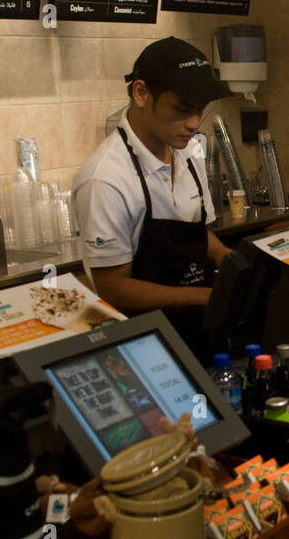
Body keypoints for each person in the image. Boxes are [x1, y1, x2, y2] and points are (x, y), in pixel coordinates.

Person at [72, 37, 234, 363]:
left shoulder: (188, 152)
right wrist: (205, 296)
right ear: (141, 93)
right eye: (182, 110)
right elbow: (112, 288)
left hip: (199, 334)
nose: (193, 123)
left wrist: (234, 265)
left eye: (199, 111)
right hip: (144, 349)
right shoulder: (106, 178)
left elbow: (194, 233)